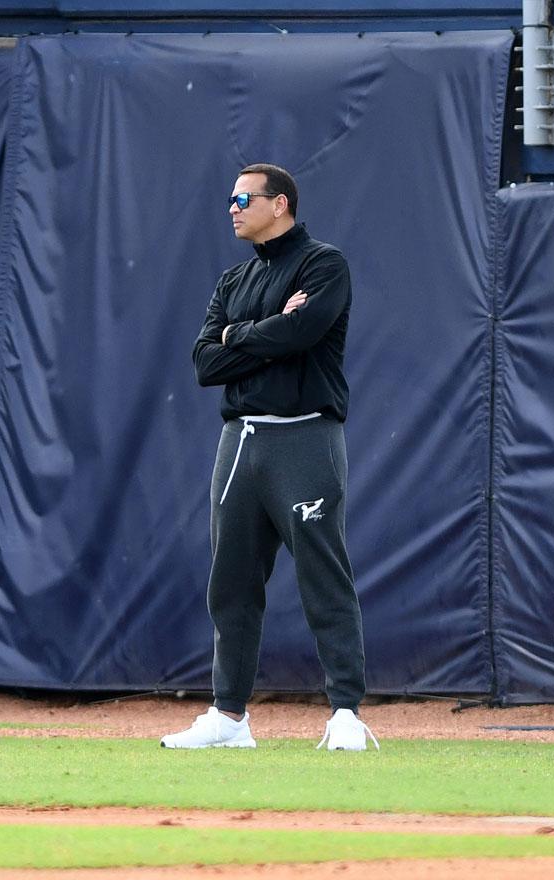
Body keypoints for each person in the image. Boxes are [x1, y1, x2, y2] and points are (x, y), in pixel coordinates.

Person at [162, 164, 378, 751]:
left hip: (305, 437)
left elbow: (301, 335)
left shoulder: (323, 264)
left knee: (322, 573)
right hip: (240, 442)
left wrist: (245, 336)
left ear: (279, 204)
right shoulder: (234, 279)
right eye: (230, 198)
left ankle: (345, 715)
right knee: (230, 582)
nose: (231, 207)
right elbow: (207, 363)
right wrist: (261, 328)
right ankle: (229, 718)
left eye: (242, 197)